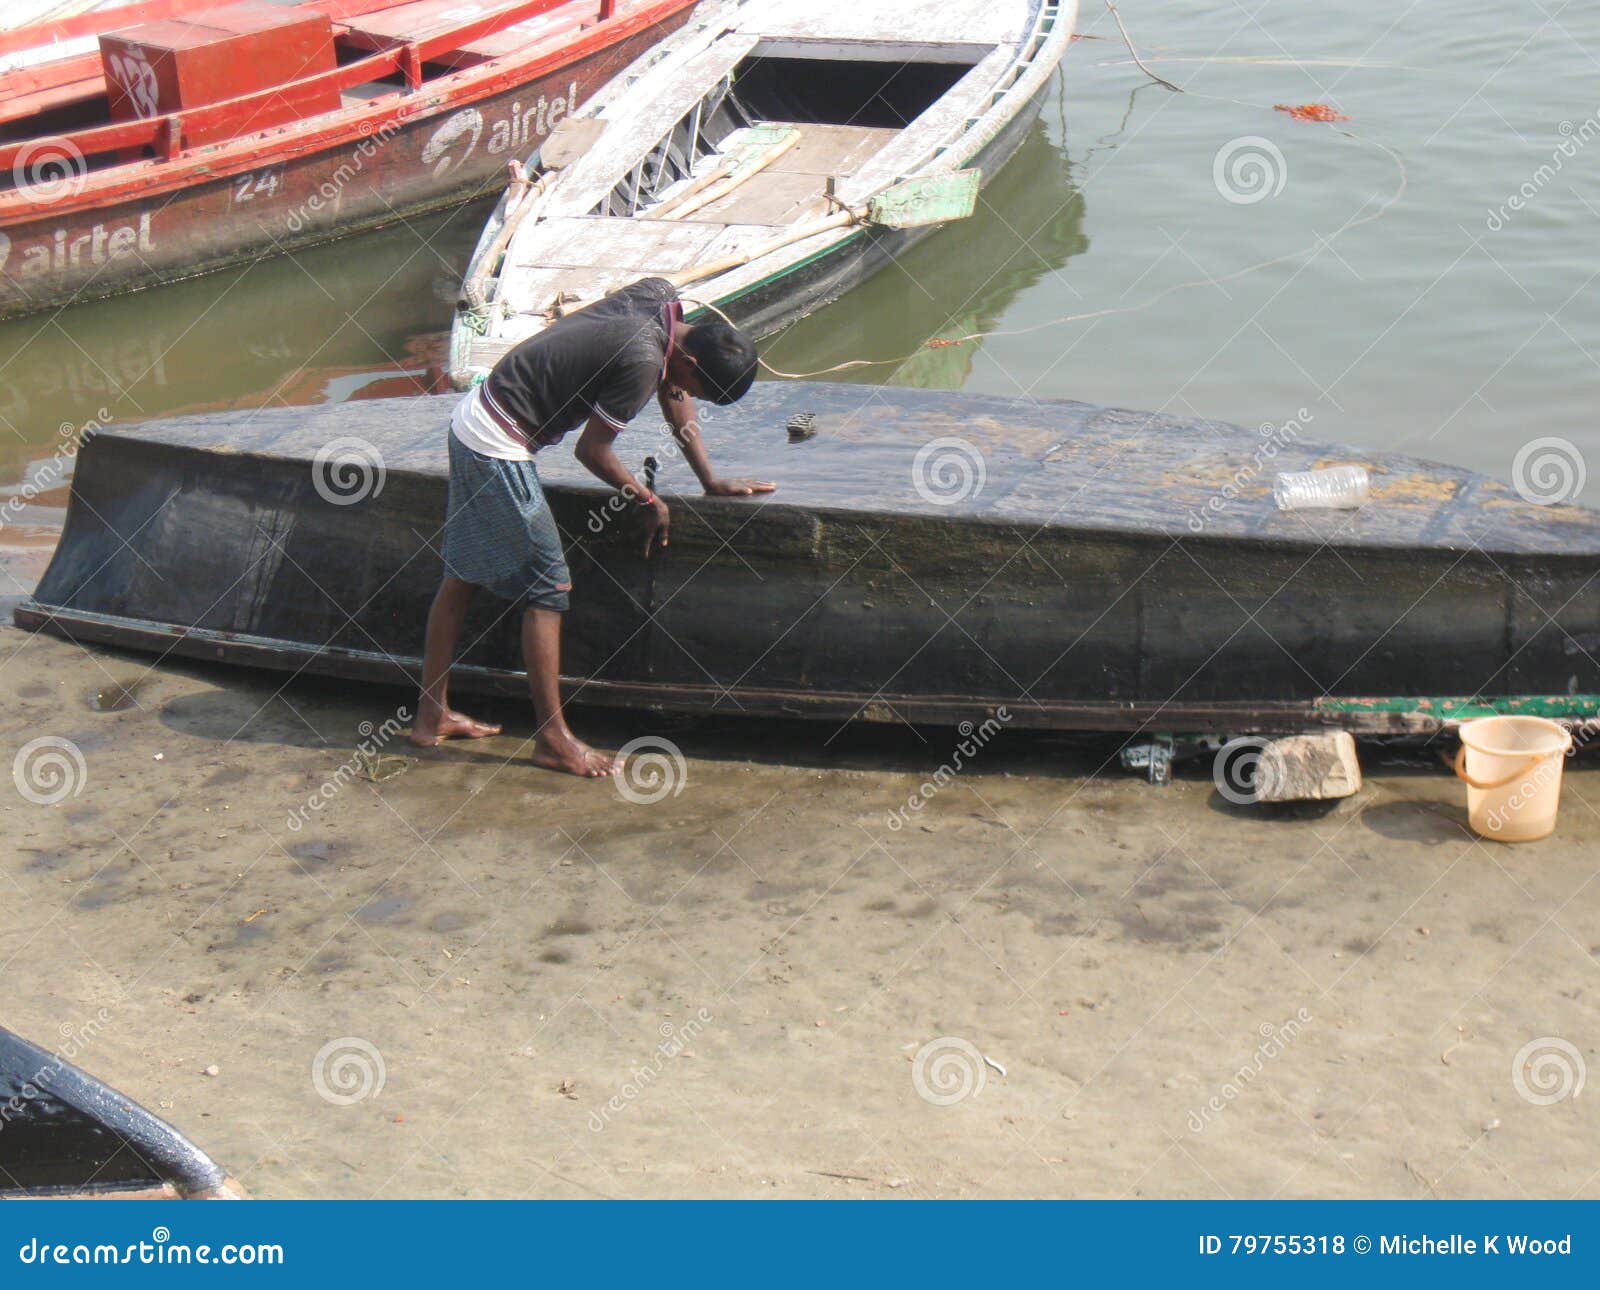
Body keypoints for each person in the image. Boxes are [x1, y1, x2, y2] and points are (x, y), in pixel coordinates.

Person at [410, 277, 775, 777]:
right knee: (549, 587)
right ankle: (554, 740)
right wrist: (646, 499)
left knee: (463, 576)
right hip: (496, 444)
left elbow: (674, 390)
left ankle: (431, 716)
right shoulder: (644, 361)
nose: (688, 396)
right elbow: (592, 451)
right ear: (689, 363)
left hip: (477, 419)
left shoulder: (661, 299)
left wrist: (708, 478)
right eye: (699, 389)